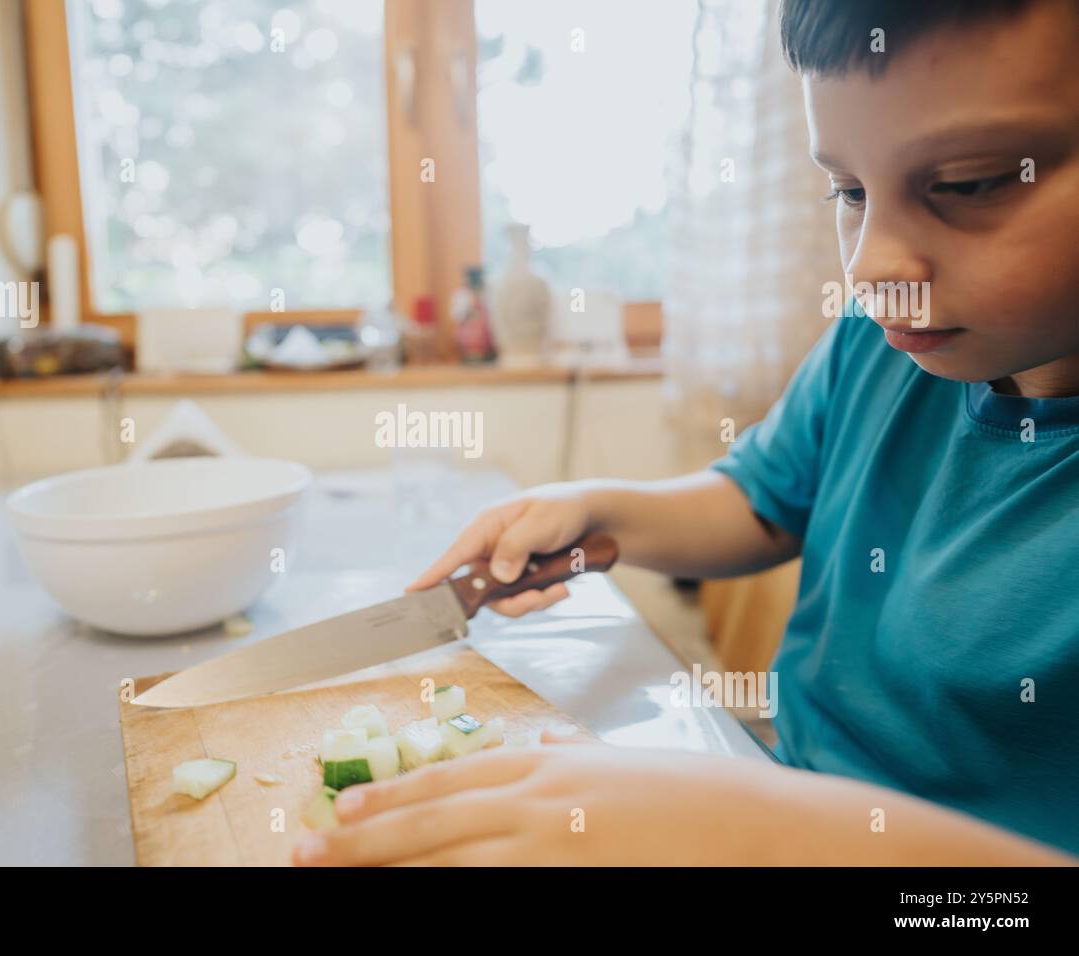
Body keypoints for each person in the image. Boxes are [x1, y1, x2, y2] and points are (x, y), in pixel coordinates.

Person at [294, 0, 1079, 865]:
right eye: (849, 193)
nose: (871, 267)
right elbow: (759, 502)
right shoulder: (880, 346)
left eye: (968, 184)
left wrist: (766, 830)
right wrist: (596, 511)